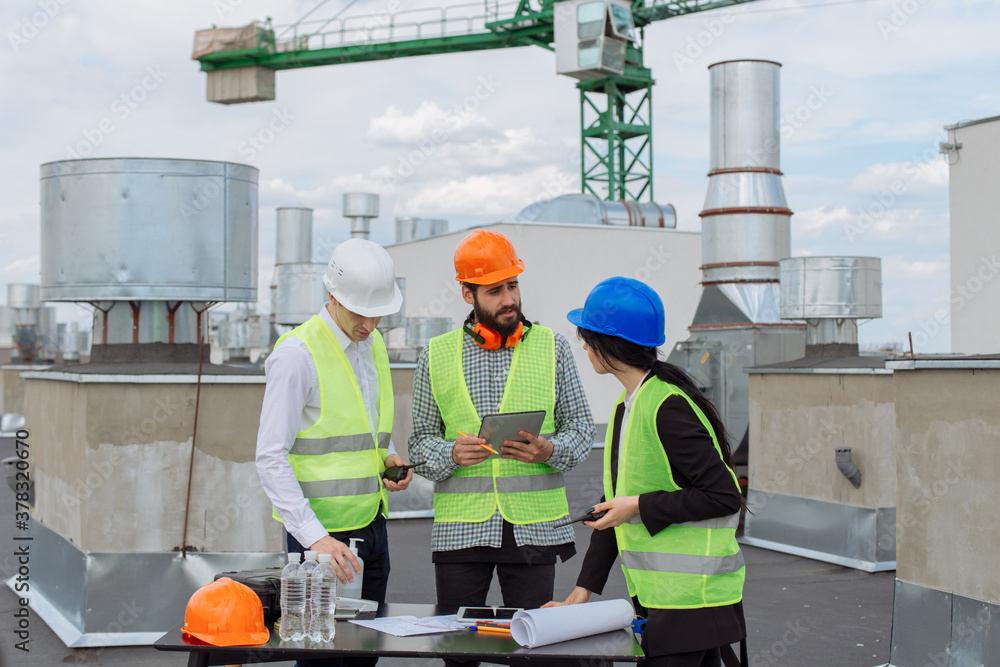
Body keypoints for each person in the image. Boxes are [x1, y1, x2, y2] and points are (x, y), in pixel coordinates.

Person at [409, 229, 595, 667]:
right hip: (461, 531)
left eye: (513, 286)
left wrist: (549, 450)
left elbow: (583, 429)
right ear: (467, 294)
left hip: (534, 530)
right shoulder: (435, 354)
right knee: (458, 653)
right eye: (495, 291)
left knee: (533, 653)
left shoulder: (553, 347)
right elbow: (418, 444)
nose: (509, 299)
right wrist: (450, 454)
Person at [547, 276, 747, 667]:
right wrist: (582, 591)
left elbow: (724, 495)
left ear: (609, 343)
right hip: (667, 602)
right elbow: (616, 505)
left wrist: (637, 506)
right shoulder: (629, 405)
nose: (584, 347)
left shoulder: (666, 406)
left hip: (694, 606)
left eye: (587, 337)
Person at [256, 238, 412, 667]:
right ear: (333, 295)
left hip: (372, 527)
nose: (370, 323)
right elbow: (270, 456)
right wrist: (316, 538)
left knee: (365, 652)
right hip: (320, 538)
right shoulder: (296, 355)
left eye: (378, 313)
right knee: (320, 656)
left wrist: (388, 457)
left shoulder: (372, 344)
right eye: (360, 312)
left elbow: (364, 426)